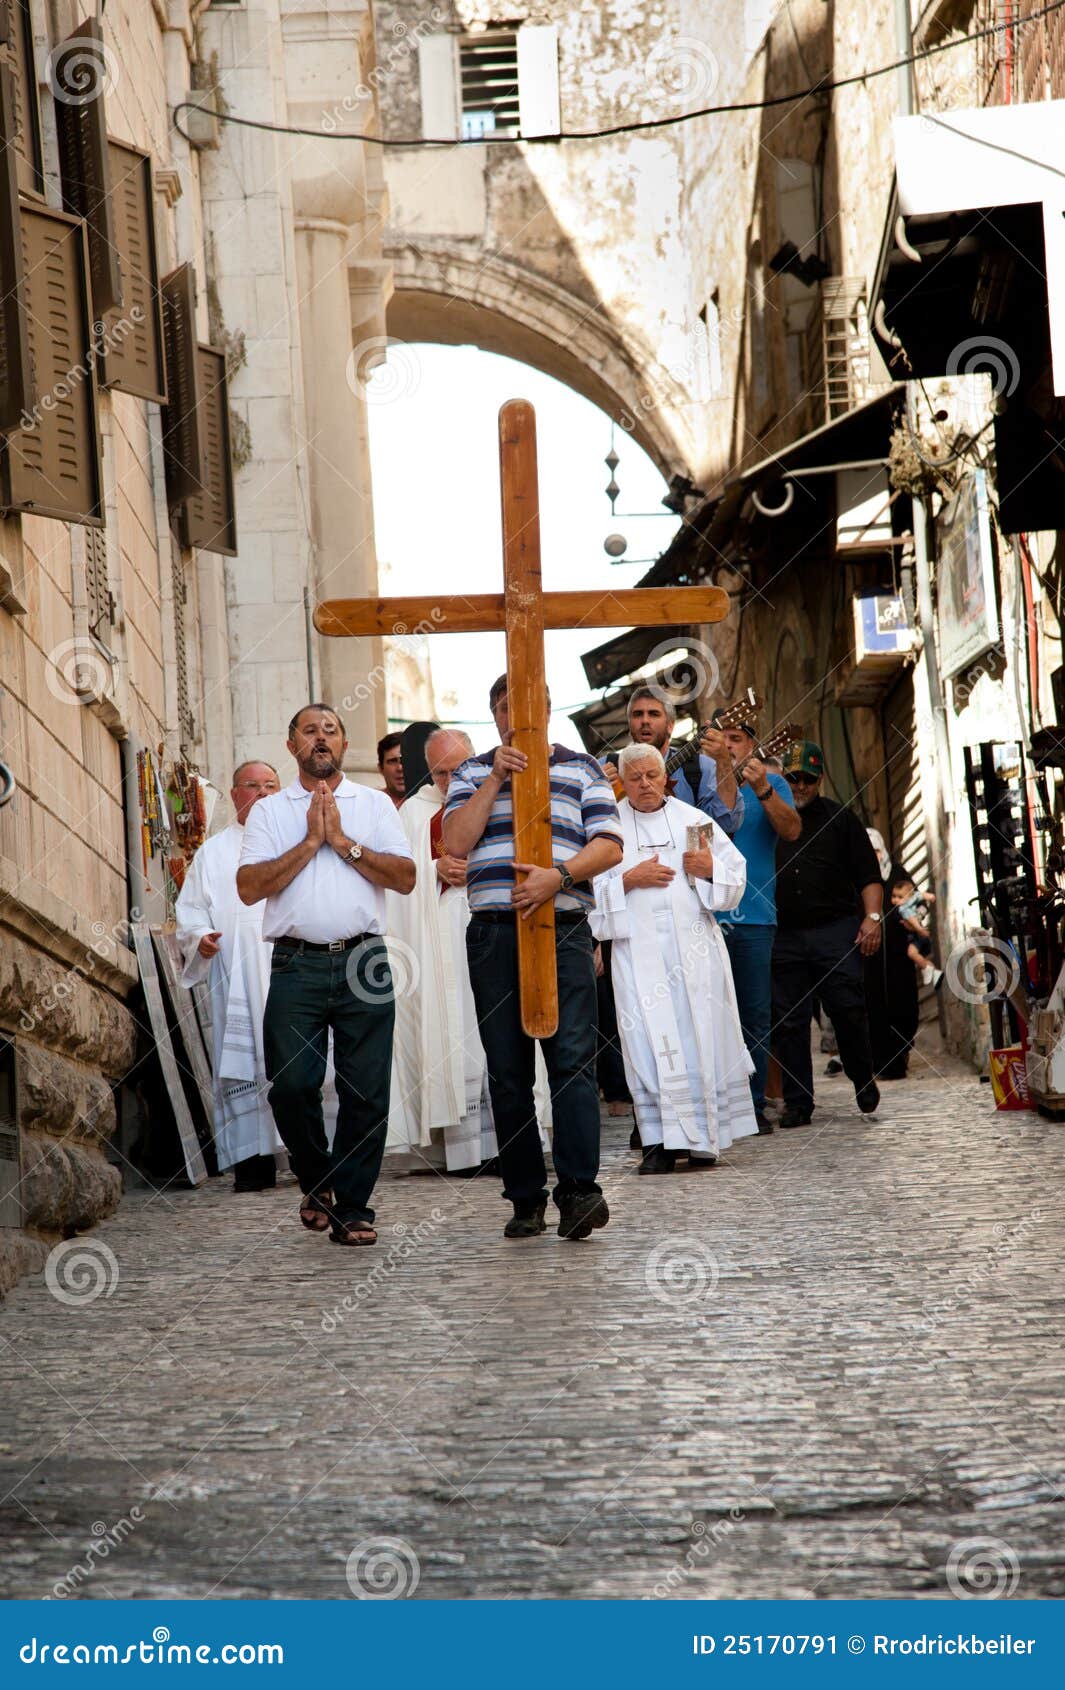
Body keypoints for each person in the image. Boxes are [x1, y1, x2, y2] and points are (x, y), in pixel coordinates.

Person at [442, 673, 623, 1241]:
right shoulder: (472, 772)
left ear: (546, 709)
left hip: (563, 926)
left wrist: (558, 876)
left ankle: (579, 1190)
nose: (513, 714)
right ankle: (524, 1196)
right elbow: (455, 842)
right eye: (502, 706)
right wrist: (495, 775)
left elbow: (610, 845)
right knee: (508, 1069)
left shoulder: (583, 767)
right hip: (494, 932)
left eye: (524, 703)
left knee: (571, 1061)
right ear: (493, 715)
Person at [237, 704, 415, 1246]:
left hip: (365, 959)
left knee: (366, 1090)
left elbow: (405, 877)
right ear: (292, 746)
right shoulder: (270, 813)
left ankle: (354, 1208)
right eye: (310, 731)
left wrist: (343, 843)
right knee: (291, 1084)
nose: (321, 739)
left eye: (330, 731)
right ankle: (319, 1181)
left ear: (343, 744)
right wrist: (311, 843)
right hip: (296, 961)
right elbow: (249, 887)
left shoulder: (376, 804)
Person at [591, 744, 758, 1171]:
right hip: (637, 955)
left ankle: (705, 1140)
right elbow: (586, 892)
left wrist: (709, 871)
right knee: (648, 1044)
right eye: (634, 778)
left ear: (666, 776)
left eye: (651, 775)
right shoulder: (609, 829)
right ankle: (657, 1142)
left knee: (699, 1036)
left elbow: (734, 880)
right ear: (622, 782)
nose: (644, 784)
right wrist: (629, 879)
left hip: (694, 954)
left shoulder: (692, 822)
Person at [385, 728, 498, 1173]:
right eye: (441, 772)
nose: (451, 780)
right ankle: (463, 1148)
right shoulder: (415, 811)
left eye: (459, 768)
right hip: (439, 944)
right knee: (455, 1032)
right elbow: (398, 878)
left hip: (493, 927)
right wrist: (434, 869)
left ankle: (511, 1142)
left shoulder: (498, 795)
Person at [175, 761, 284, 1192]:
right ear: (235, 794)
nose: (261, 793)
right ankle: (253, 1162)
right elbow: (192, 911)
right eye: (252, 786)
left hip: (290, 970)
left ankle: (310, 1156)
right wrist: (200, 939)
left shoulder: (297, 842)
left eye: (271, 786)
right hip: (235, 974)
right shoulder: (214, 852)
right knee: (244, 1064)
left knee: (297, 1062)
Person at [772, 741, 883, 1128]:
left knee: (848, 1010)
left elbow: (869, 875)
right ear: (780, 778)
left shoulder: (841, 819)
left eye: (807, 779)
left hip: (834, 930)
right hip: (783, 934)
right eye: (793, 778)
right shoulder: (765, 819)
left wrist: (872, 918)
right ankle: (798, 1103)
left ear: (818, 780)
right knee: (789, 1021)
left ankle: (862, 1076)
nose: (800, 786)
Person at [714, 709, 801, 1135]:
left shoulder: (773, 782)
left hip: (754, 917)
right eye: (722, 737)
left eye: (737, 738)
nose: (729, 745)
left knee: (753, 1013)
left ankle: (750, 1105)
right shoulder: (701, 783)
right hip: (704, 919)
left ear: (751, 745)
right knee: (712, 1013)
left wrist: (763, 787)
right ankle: (717, 1105)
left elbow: (791, 830)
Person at [603, 686, 743, 833]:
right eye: (638, 714)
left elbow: (728, 823)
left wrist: (724, 760)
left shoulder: (702, 768)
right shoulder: (606, 766)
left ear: (670, 725)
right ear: (629, 723)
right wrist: (596, 788)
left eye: (654, 714)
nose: (645, 720)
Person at [377, 732, 406, 807]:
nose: (400, 768)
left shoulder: (432, 803)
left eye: (405, 760)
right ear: (380, 768)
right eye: (392, 761)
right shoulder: (371, 803)